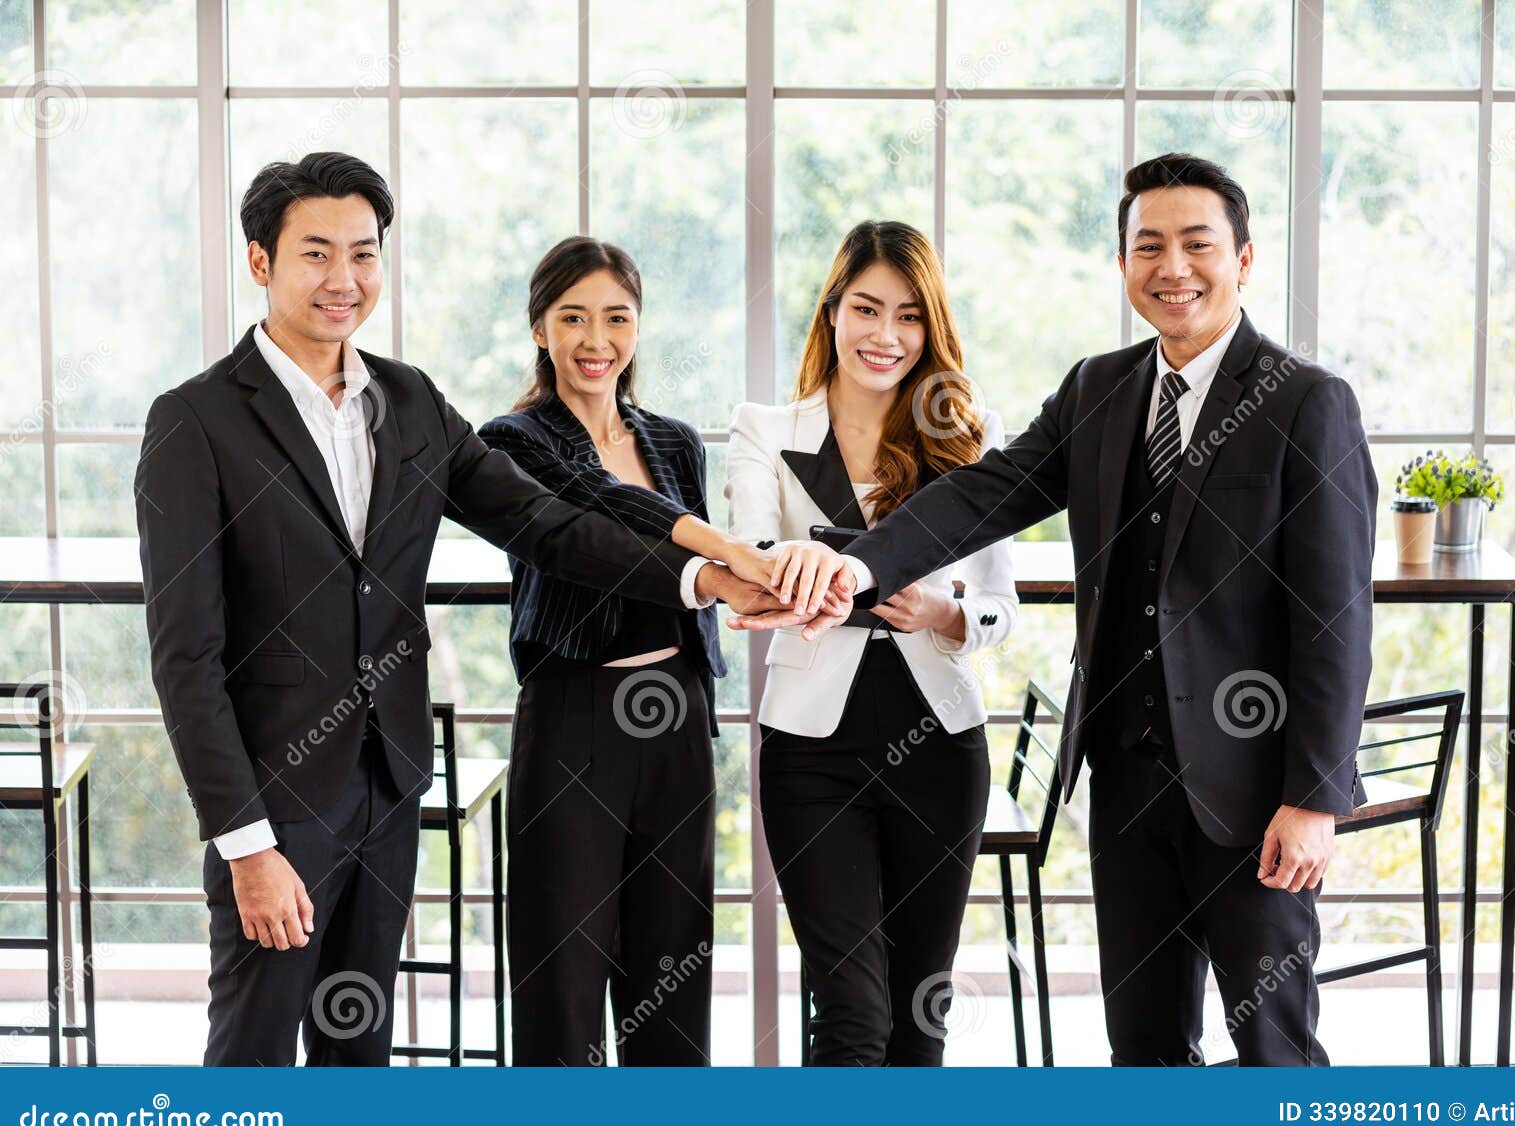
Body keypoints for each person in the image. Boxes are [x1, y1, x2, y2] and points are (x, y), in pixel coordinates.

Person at [134, 152, 776, 1066]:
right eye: (316, 253)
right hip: (276, 800)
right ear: (260, 261)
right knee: (253, 1055)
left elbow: (548, 524)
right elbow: (184, 657)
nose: (344, 279)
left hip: (389, 785)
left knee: (359, 1051)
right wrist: (244, 842)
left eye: (364, 253)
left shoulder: (411, 399)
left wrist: (702, 578)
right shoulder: (194, 421)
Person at [736, 155, 1378, 1066]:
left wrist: (1313, 797)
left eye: (1198, 245)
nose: (1173, 267)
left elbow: (1336, 619)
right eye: (1147, 246)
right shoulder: (1100, 389)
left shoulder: (1307, 402)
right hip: (1124, 784)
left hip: (1251, 791)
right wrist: (854, 567)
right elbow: (982, 496)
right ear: (1122, 265)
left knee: (1271, 1047)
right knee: (1143, 1047)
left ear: (1245, 258)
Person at [477, 237, 796, 1065]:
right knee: (564, 971)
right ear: (539, 329)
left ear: (639, 327)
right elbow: (602, 517)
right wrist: (721, 564)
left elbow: (677, 570)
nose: (596, 339)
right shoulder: (514, 442)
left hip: (677, 717)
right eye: (572, 318)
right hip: (574, 718)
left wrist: (750, 578)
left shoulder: (677, 442)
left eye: (617, 317)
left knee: (673, 957)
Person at [728, 221, 1017, 1065]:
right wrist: (798, 568)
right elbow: (751, 554)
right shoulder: (766, 429)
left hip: (940, 746)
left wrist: (942, 610)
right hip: (811, 755)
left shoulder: (968, 435)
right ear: (830, 314)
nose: (885, 336)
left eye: (908, 316)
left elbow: (1002, 606)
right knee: (852, 1011)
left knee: (919, 1008)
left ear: (931, 328)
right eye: (865, 309)